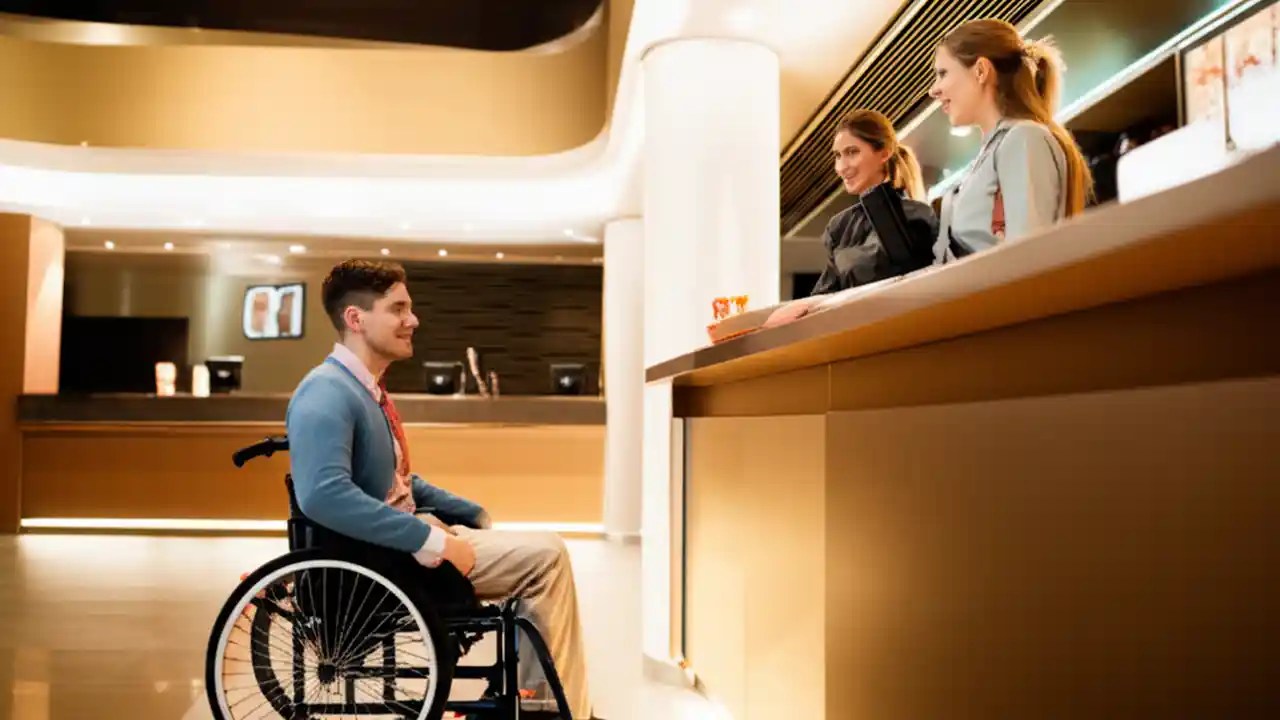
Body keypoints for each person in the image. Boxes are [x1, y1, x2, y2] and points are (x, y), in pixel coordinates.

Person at [286, 259, 599, 720]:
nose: (413, 320)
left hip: (403, 542)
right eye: (398, 309)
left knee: (545, 548)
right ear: (356, 319)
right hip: (383, 561)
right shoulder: (325, 392)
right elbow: (324, 495)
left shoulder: (361, 389)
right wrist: (435, 542)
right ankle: (547, 709)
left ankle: (545, 701)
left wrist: (470, 512)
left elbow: (397, 483)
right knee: (548, 558)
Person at [929, 18, 1093, 263]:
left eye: (943, 73)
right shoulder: (997, 149)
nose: (934, 90)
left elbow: (1028, 257)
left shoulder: (1023, 138)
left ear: (981, 71)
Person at [765, 109, 937, 327]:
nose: (841, 167)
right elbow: (825, 293)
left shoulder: (918, 215)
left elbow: (905, 279)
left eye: (852, 152)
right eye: (838, 155)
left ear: (884, 153)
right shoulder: (839, 226)